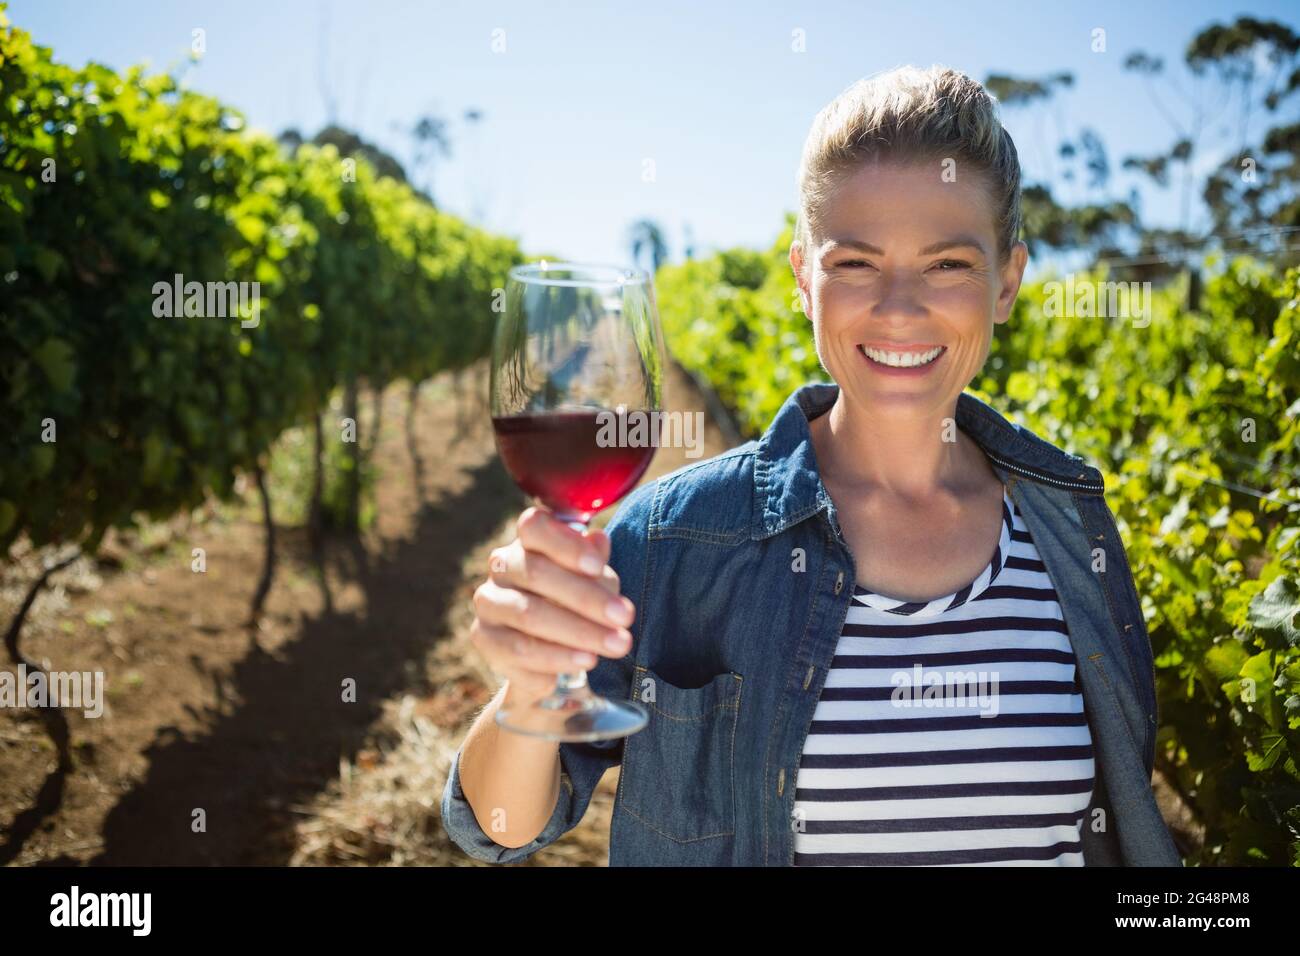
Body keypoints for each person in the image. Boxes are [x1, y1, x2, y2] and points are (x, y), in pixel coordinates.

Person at [441, 64, 1182, 866]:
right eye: (856, 263)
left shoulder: (1071, 527)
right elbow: (502, 828)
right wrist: (528, 686)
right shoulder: (678, 540)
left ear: (1007, 280)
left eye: (948, 265)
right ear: (803, 278)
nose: (899, 307)